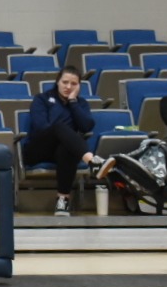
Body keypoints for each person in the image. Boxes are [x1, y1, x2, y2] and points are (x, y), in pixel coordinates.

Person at [22, 67, 106, 217]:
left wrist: (73, 102)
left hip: (60, 152)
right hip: (37, 149)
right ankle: (91, 161)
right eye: (65, 82)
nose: (68, 87)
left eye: (73, 84)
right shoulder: (42, 99)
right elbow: (41, 127)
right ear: (57, 82)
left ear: (79, 86)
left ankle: (63, 201)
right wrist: (62, 132)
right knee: (60, 128)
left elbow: (86, 126)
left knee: (66, 149)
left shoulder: (80, 103)